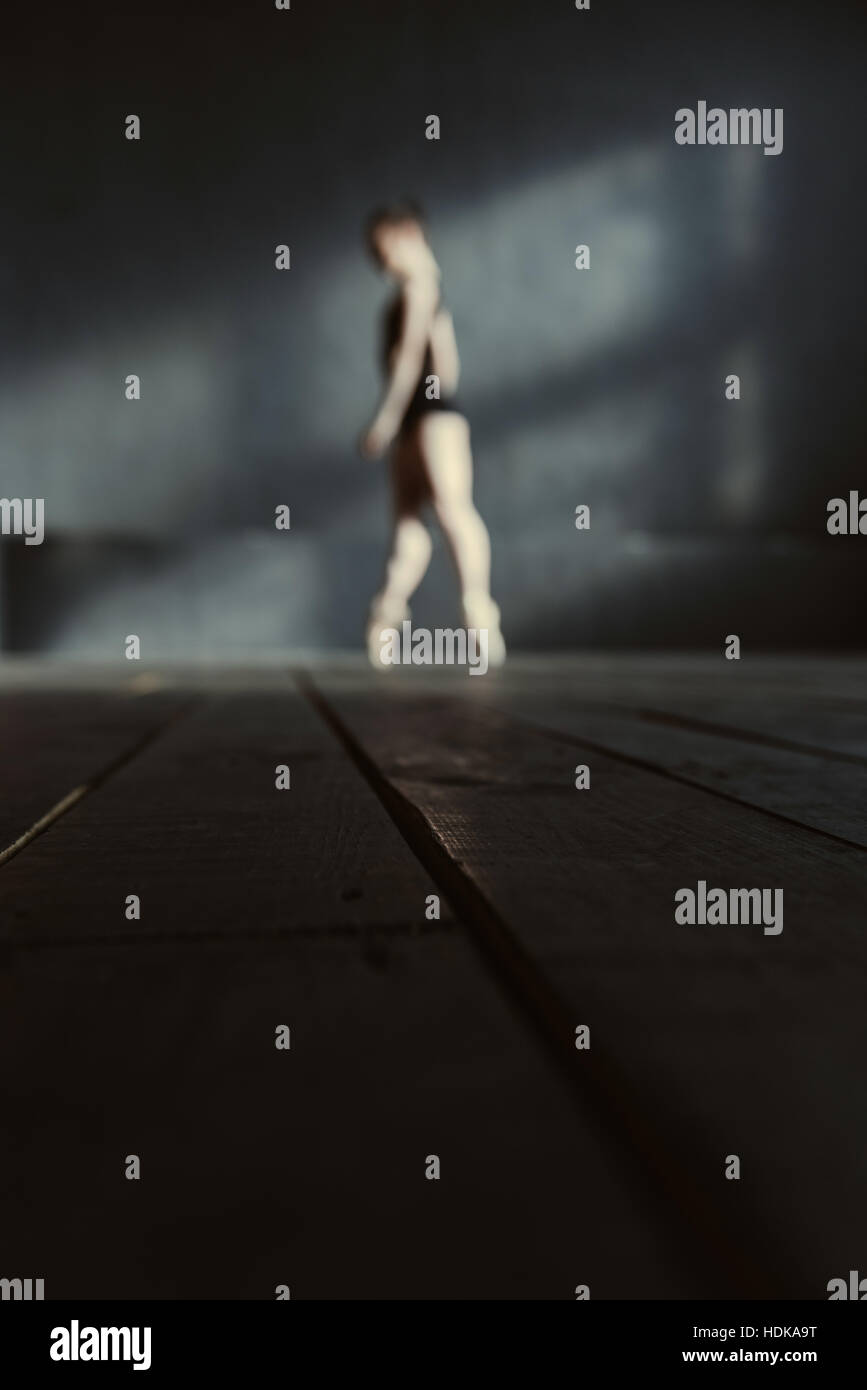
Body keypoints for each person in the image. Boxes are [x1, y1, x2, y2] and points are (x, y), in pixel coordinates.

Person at [360, 201, 505, 668]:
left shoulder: (422, 284)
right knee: (409, 525)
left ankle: (479, 615)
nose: (377, 255)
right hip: (414, 417)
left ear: (405, 235)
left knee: (450, 509)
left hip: (431, 413)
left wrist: (386, 416)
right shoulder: (413, 288)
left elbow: (409, 361)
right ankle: (386, 616)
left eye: (383, 243)